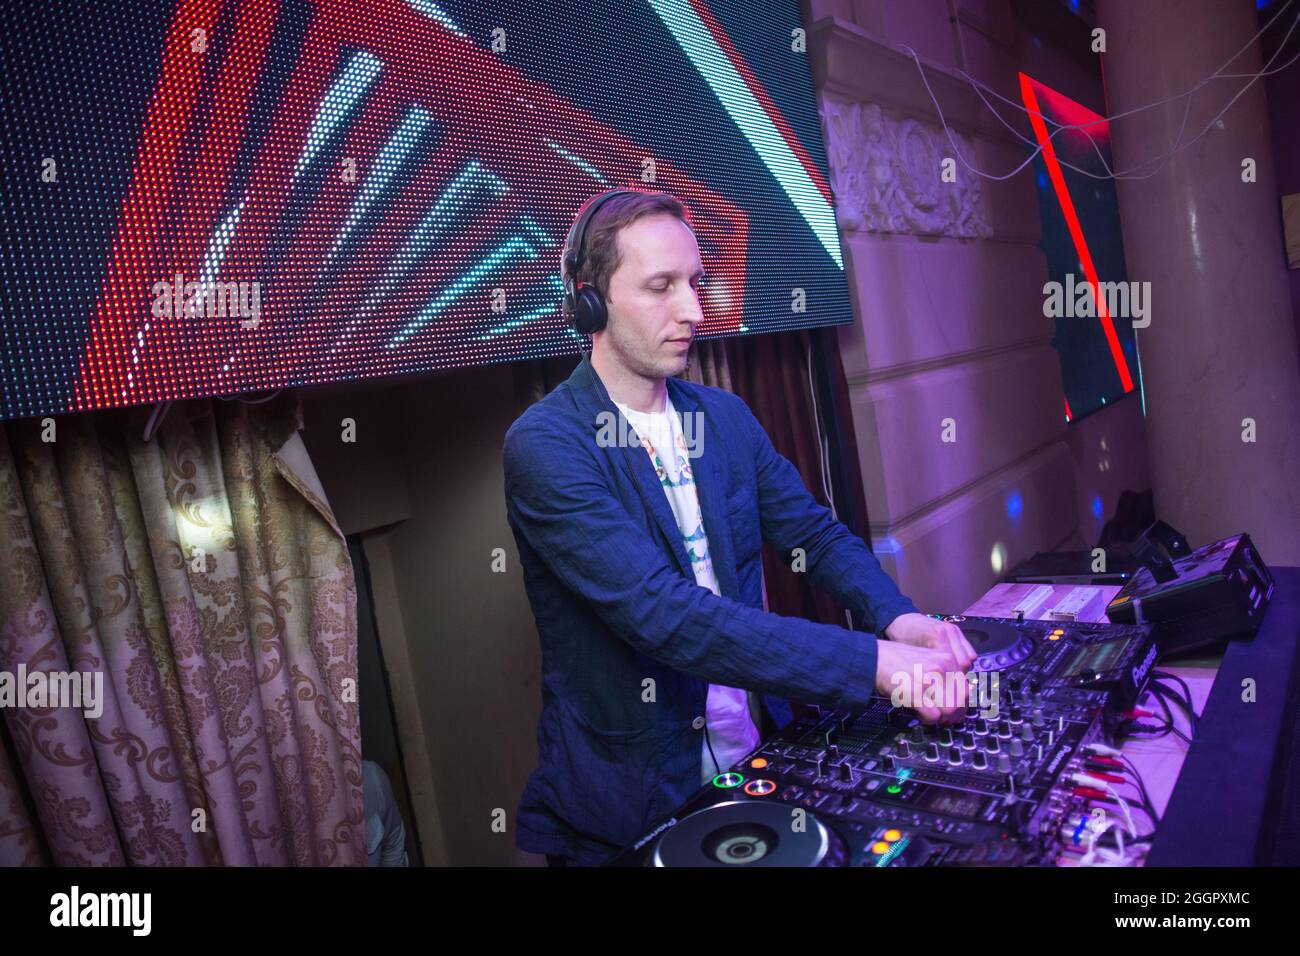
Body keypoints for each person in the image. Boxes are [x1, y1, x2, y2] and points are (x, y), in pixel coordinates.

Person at [503, 189, 976, 866]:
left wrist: (900, 620)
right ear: (590, 302)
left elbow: (814, 537)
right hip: (629, 813)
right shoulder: (546, 446)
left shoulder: (722, 418)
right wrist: (876, 665)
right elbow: (664, 616)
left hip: (756, 767)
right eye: (661, 287)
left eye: (695, 283)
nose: (694, 311)